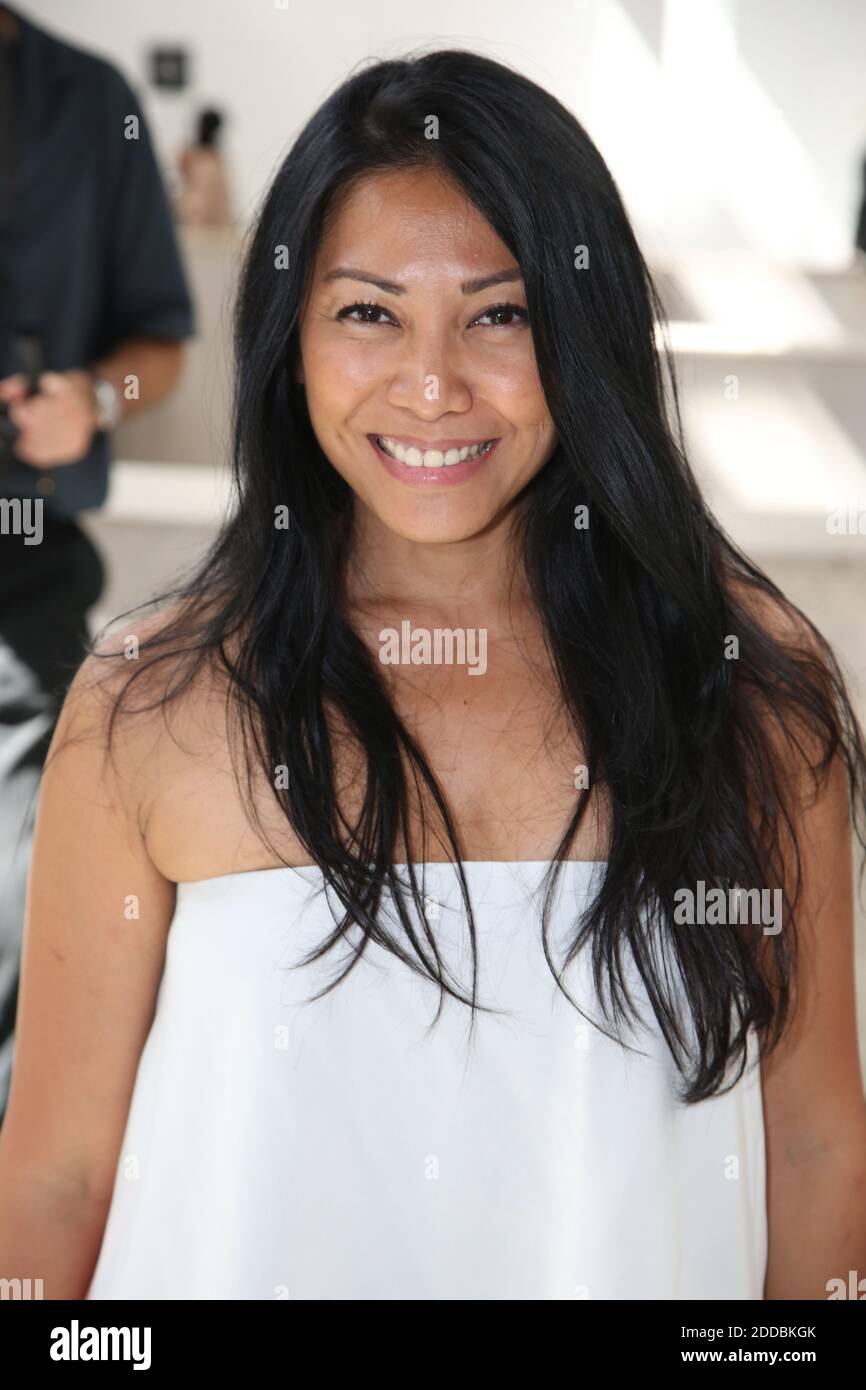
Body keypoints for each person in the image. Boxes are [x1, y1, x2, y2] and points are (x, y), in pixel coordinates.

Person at [1, 48, 865, 1300]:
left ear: (585, 331)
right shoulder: (151, 704)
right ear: (289, 340)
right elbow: (54, 1184)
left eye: (498, 314)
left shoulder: (741, 691)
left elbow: (815, 1146)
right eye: (367, 312)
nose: (430, 383)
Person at [0, 2, 195, 1124]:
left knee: (33, 932)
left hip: (23, 579)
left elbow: (154, 357)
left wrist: (92, 402)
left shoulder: (90, 104)